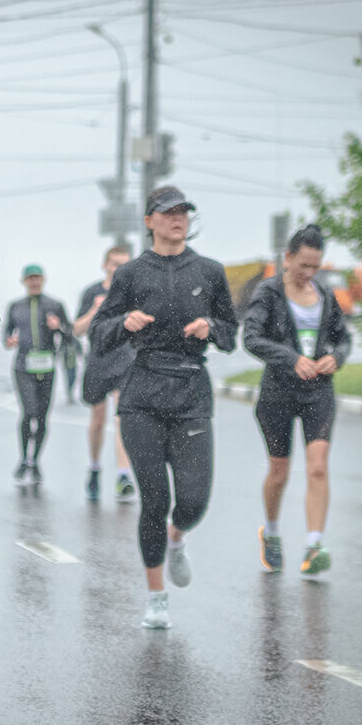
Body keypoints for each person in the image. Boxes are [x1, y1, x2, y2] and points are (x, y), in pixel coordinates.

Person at [90, 186, 237, 630]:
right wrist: (123, 322)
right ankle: (156, 596)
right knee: (155, 499)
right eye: (167, 212)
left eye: (183, 212)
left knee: (193, 501)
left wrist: (211, 326)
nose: (177, 219)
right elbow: (99, 334)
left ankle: (178, 538)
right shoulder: (132, 274)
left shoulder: (210, 271)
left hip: (192, 389)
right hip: (143, 394)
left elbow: (231, 333)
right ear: (149, 220)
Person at [242, 224, 351, 576]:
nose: (308, 274)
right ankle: (271, 532)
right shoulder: (268, 293)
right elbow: (252, 338)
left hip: (318, 391)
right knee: (279, 472)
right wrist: (291, 359)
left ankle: (313, 545)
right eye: (303, 265)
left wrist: (336, 357)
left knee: (318, 466)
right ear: (288, 258)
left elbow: (342, 338)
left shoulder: (324, 293)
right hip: (278, 392)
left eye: (315, 267)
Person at [73, 245, 136, 503]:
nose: (118, 268)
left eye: (124, 264)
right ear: (105, 265)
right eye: (114, 263)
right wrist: (94, 310)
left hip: (126, 359)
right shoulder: (93, 291)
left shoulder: (134, 293)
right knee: (98, 419)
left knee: (122, 416)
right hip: (99, 359)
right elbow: (76, 330)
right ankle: (95, 467)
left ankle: (123, 475)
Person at [4, 264, 70, 484]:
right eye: (30, 279)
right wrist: (9, 341)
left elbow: (70, 336)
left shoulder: (54, 305)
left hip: (47, 367)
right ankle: (23, 458)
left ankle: (34, 461)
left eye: (37, 278)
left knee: (42, 417)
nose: (34, 282)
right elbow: (7, 334)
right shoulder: (15, 306)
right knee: (29, 412)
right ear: (24, 281)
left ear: (43, 279)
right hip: (23, 367)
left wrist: (58, 327)